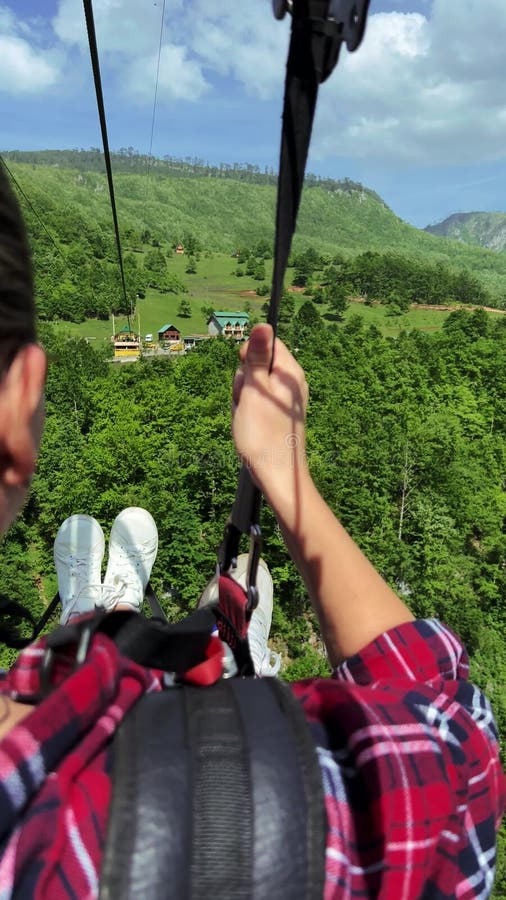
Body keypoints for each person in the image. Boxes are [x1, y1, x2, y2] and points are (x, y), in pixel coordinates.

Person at [0, 166, 504, 899]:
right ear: (17, 411)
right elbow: (462, 763)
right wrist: (285, 475)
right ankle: (242, 662)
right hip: (213, 794)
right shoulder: (121, 830)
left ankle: (94, 621)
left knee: (62, 661)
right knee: (209, 682)